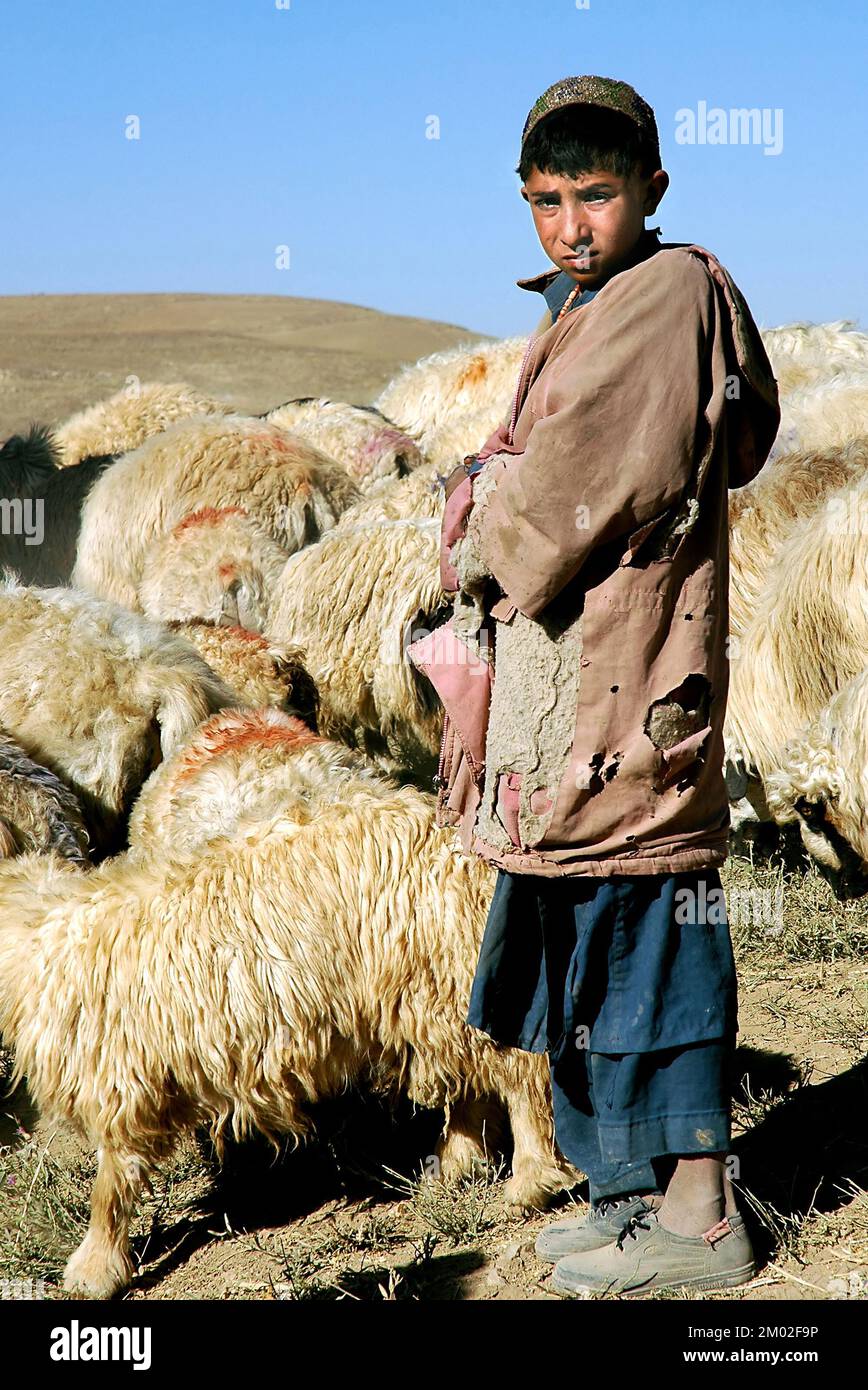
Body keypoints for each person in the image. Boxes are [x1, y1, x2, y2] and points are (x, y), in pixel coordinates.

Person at [408, 74, 780, 1297]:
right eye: (546, 200)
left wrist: (473, 535)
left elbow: (571, 482)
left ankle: (703, 1215)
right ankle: (627, 1198)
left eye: (597, 196)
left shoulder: (661, 295)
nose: (571, 222)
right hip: (572, 679)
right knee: (577, 919)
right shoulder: (589, 298)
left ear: (652, 192)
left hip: (627, 678)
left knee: (650, 925)